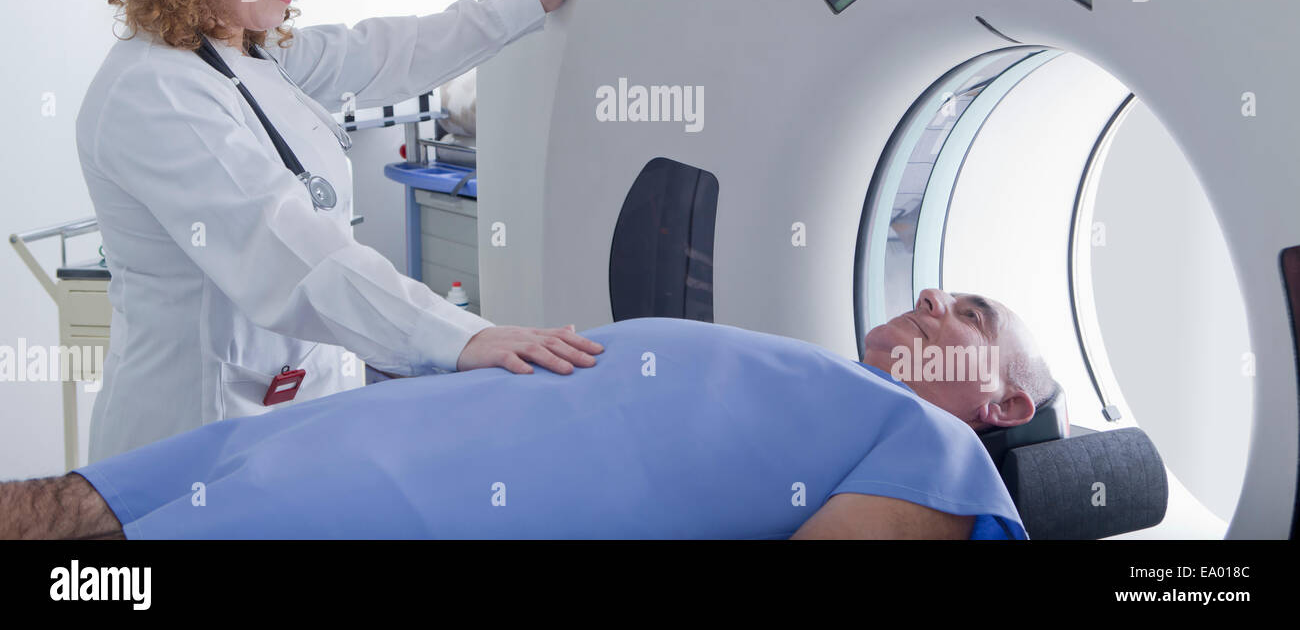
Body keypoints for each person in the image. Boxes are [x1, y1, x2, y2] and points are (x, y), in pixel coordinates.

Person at [76, 0, 601, 462]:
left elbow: (384, 51)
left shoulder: (251, 54)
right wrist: (460, 337)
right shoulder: (155, 89)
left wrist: (526, 4)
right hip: (199, 435)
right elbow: (291, 249)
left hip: (296, 417)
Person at [0, 289, 1050, 539]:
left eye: (969, 312)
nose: (930, 298)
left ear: (1003, 398)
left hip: (413, 498)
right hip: (373, 428)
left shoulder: (938, 445)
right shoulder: (830, 380)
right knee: (67, 501)